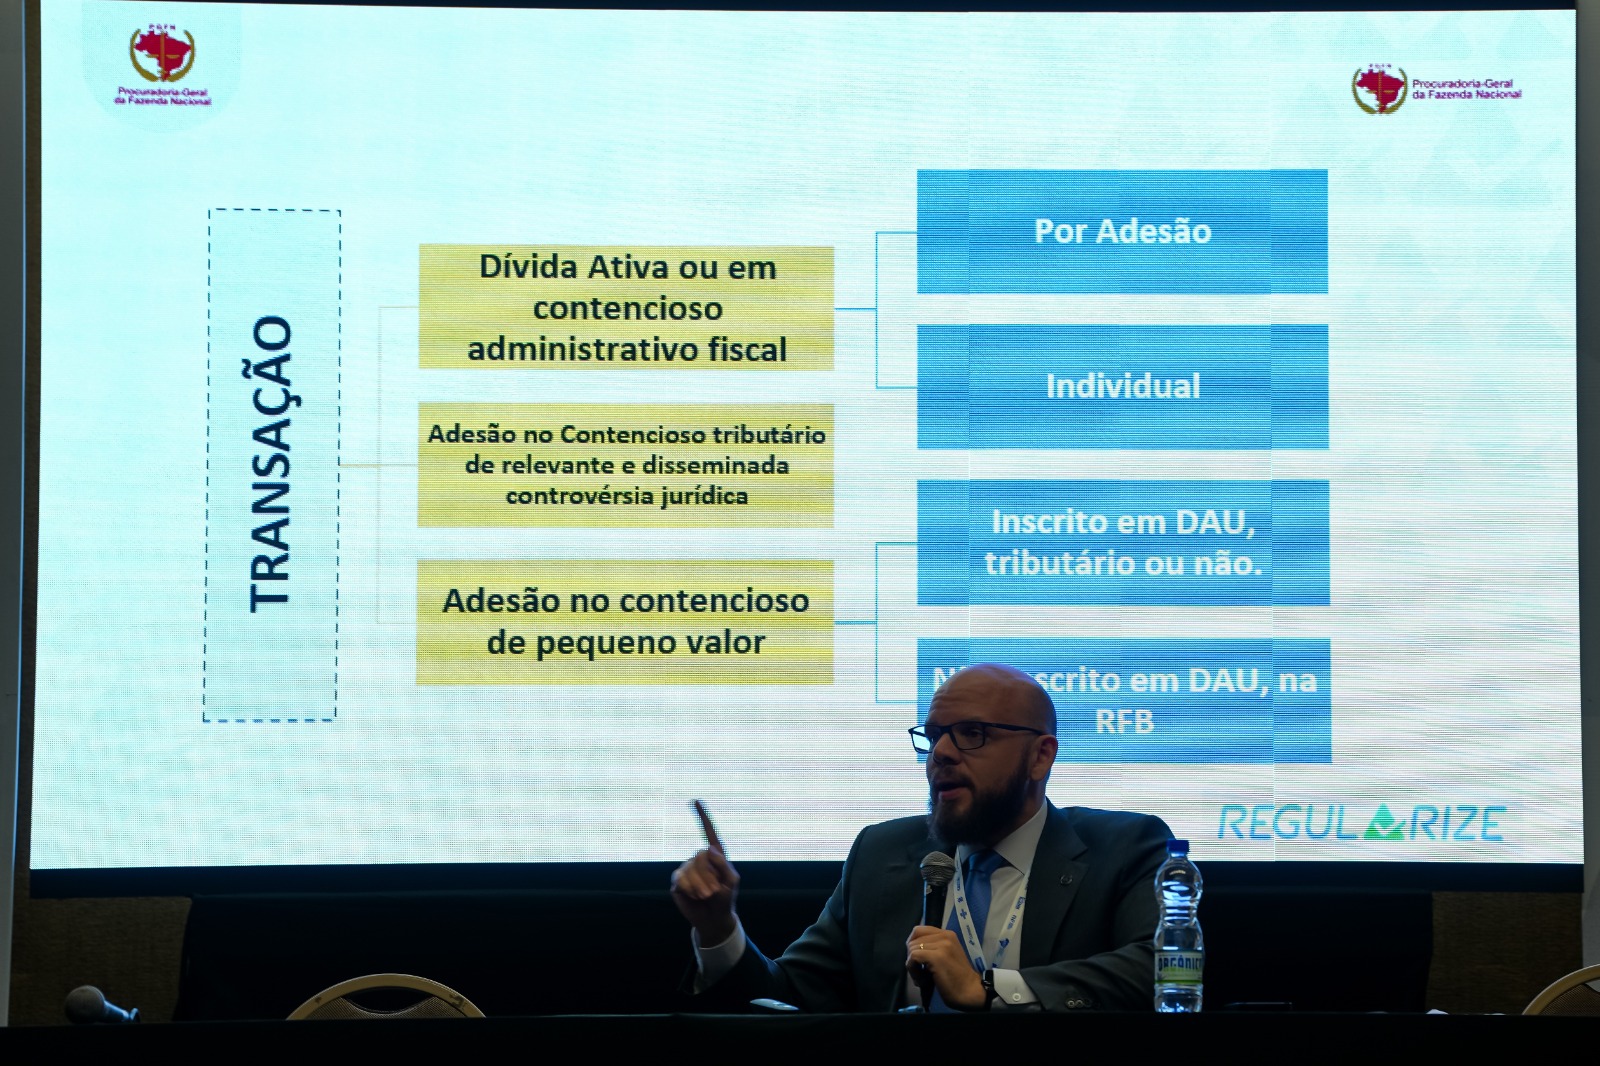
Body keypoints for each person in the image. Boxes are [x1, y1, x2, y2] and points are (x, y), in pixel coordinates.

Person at [671, 663, 1173, 1012]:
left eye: (972, 733)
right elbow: (790, 995)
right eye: (933, 736)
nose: (941, 754)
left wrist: (991, 989)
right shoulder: (882, 854)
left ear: (1040, 756)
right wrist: (719, 930)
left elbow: (1165, 968)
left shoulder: (1123, 847)